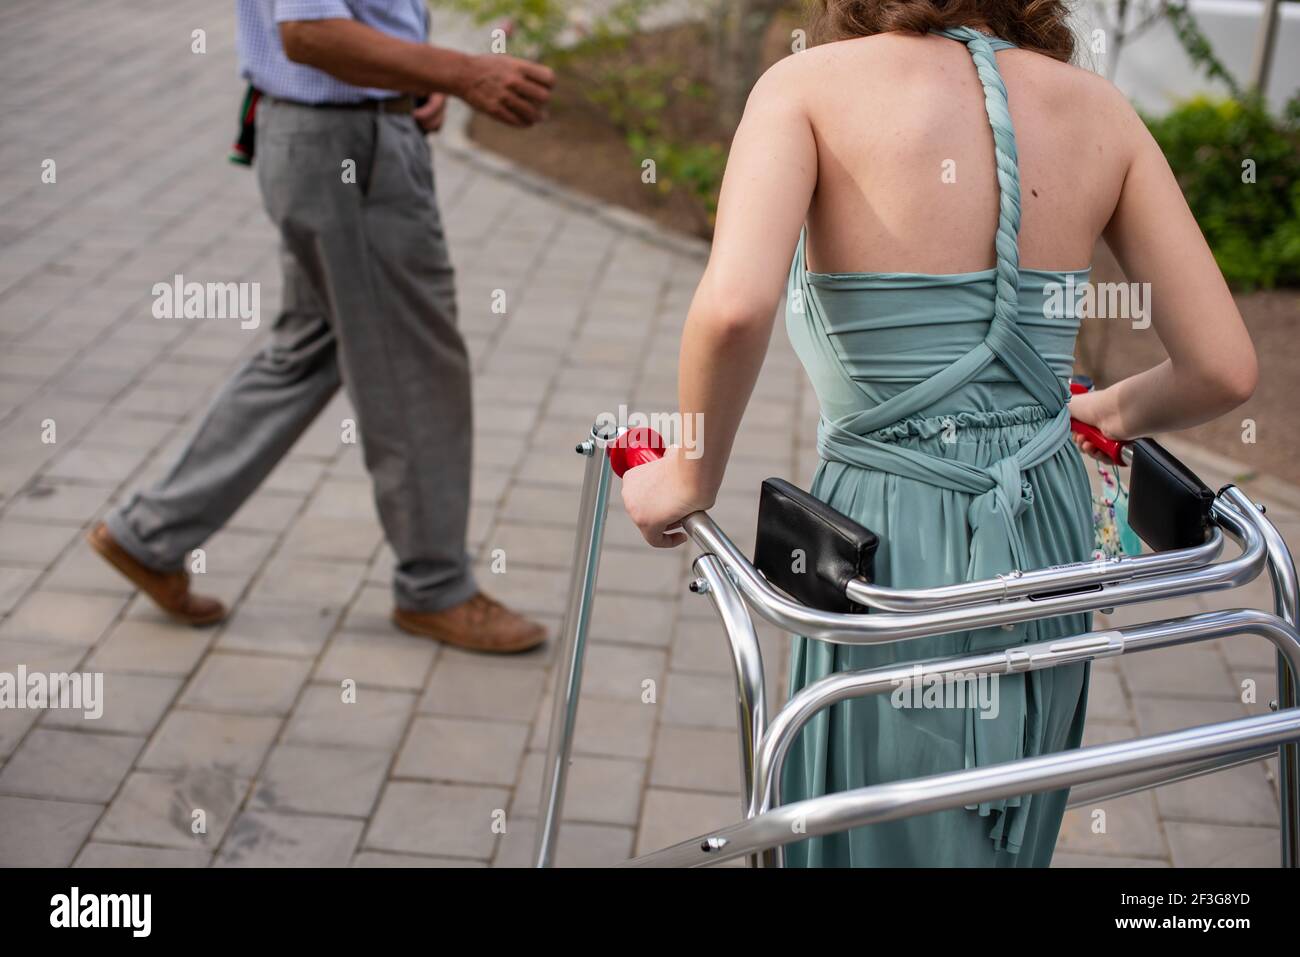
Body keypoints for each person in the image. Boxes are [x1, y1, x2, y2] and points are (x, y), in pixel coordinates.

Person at [619, 0, 1257, 866]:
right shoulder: (1098, 109)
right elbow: (1222, 367)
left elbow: (734, 309)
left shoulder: (809, 88)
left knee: (879, 817)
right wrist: (1111, 411)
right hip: (1049, 522)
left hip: (892, 521)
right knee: (1002, 816)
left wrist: (688, 478)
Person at [89, 1, 557, 654]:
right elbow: (308, 33)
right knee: (416, 370)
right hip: (347, 151)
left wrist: (414, 80)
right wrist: (461, 73)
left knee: (308, 352)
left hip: (338, 138)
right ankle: (437, 588)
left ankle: (149, 533)